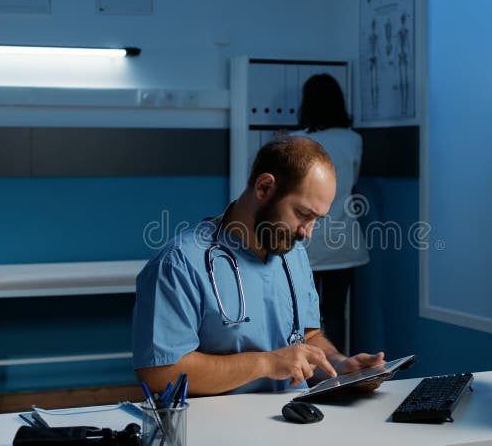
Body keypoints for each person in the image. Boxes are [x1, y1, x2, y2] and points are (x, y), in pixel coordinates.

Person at [132, 136, 384, 395]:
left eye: (316, 219)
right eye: (302, 214)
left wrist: (338, 366)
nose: (307, 233)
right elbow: (159, 373)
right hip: (222, 419)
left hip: (294, 414)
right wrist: (266, 363)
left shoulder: (292, 253)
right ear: (264, 188)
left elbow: (307, 338)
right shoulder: (179, 264)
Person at [289, 74, 370, 355]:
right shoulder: (354, 139)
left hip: (307, 243)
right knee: (336, 312)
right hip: (345, 242)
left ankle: (308, 369)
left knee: (303, 316)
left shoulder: (296, 141)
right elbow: (352, 181)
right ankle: (340, 370)